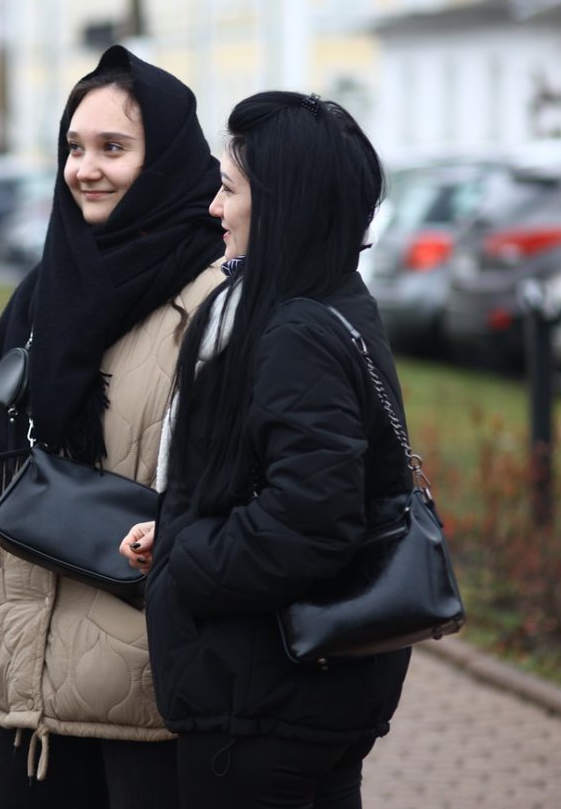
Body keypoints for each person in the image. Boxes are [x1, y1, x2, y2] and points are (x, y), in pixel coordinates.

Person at [0, 45, 225, 809]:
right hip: (22, 694)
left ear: (165, 161)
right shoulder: (47, 289)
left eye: (113, 148)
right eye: (74, 146)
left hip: (149, 701)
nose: (85, 169)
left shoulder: (214, 308)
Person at [120, 91, 410, 809]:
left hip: (265, 699)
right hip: (303, 692)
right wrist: (181, 525)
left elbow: (311, 520)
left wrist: (185, 557)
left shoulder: (296, 331)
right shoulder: (331, 303)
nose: (215, 208)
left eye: (229, 189)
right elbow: (290, 481)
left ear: (279, 206)